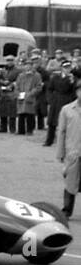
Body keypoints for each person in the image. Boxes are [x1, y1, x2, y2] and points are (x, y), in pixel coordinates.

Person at [57, 85, 81, 218]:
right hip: (73, 152)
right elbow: (61, 132)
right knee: (70, 182)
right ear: (77, 92)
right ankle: (67, 209)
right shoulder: (67, 110)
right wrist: (60, 153)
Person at [44, 58, 76, 148]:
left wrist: (72, 82)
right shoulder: (55, 77)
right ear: (62, 68)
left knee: (66, 123)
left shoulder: (73, 78)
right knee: (52, 122)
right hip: (56, 100)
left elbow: (75, 91)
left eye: (69, 67)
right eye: (65, 67)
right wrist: (50, 99)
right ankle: (49, 140)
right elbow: (50, 89)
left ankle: (65, 142)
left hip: (67, 101)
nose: (67, 69)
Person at [14, 62, 42, 135]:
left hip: (31, 97)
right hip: (21, 97)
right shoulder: (21, 75)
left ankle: (30, 130)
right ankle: (21, 130)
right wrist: (18, 93)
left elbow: (39, 87)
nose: (28, 67)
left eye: (29, 65)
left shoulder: (37, 75)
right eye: (26, 65)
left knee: (30, 114)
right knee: (21, 114)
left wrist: (31, 93)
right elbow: (17, 85)